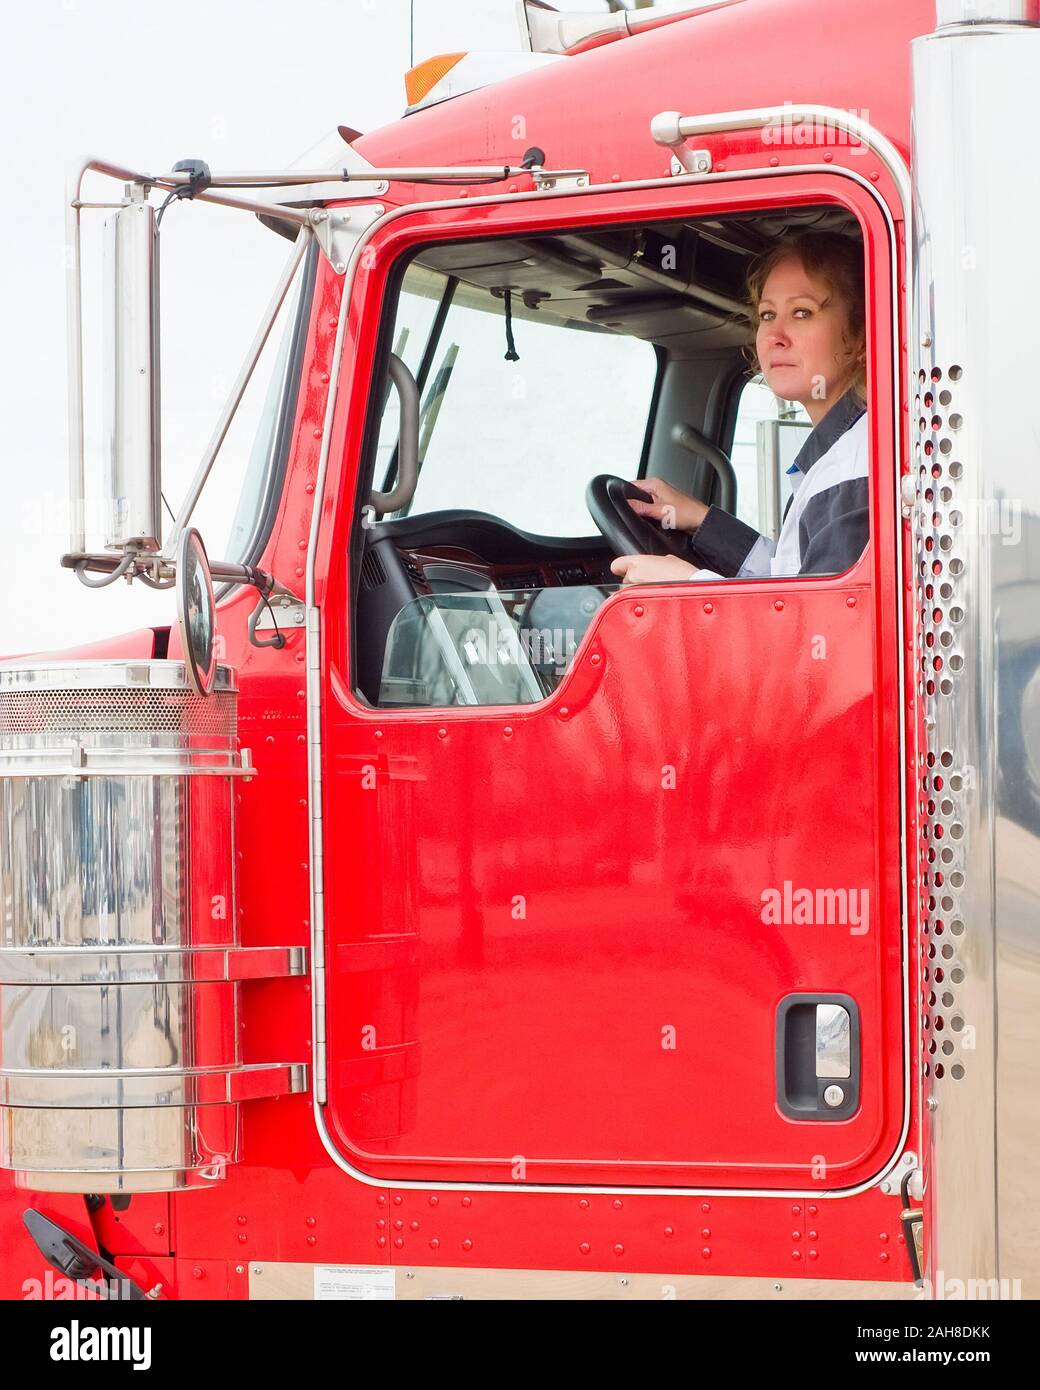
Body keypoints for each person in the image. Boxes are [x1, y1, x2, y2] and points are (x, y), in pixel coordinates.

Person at [609, 230, 868, 586]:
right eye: (767, 314)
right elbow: (789, 580)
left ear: (862, 338)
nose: (776, 335)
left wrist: (687, 584)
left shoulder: (853, 468)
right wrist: (702, 520)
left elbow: (819, 625)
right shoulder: (840, 453)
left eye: (802, 313)